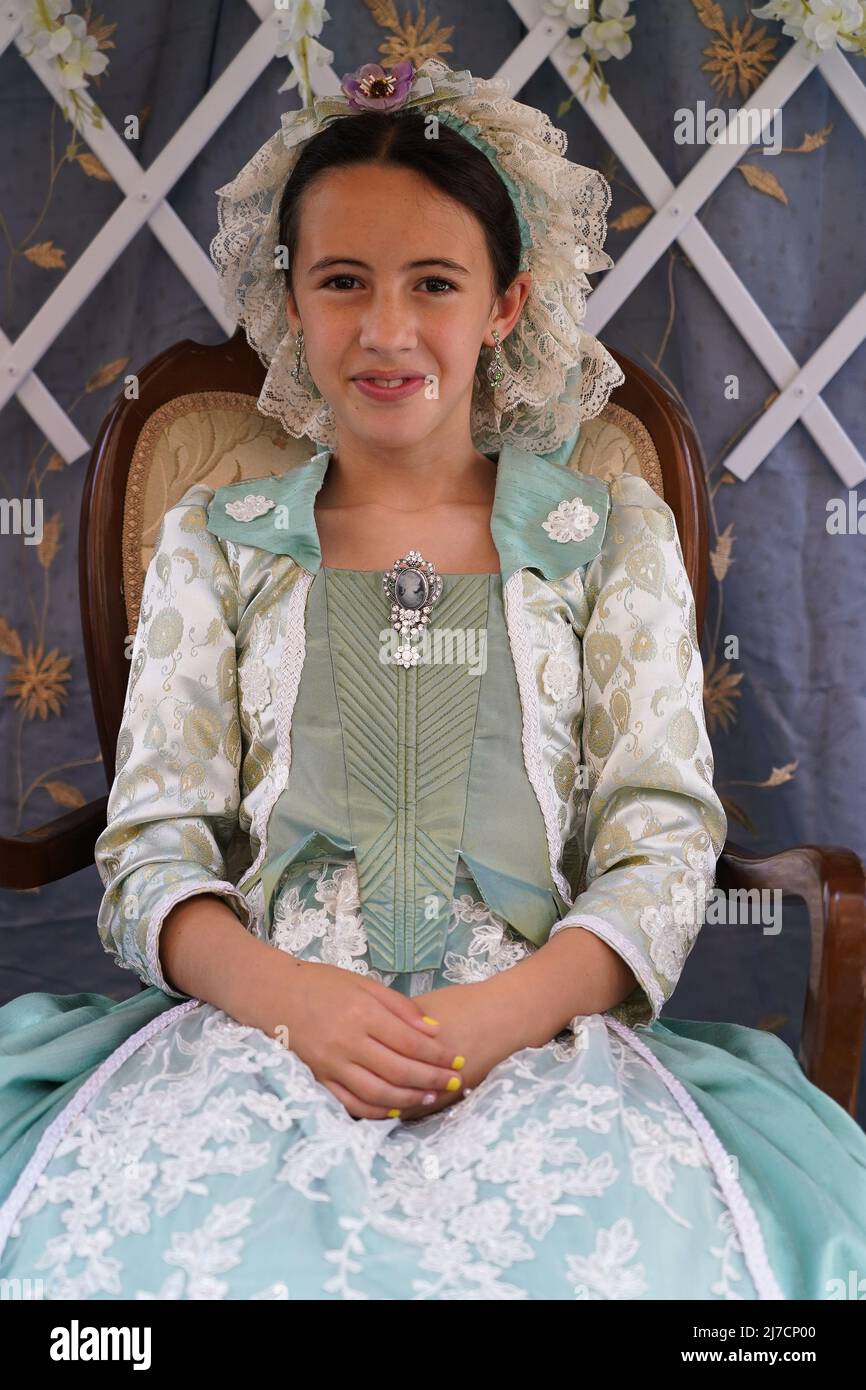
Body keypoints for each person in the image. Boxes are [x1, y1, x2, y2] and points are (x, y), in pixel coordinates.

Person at [1, 57, 865, 1302]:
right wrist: (287, 999)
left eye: (434, 284)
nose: (386, 329)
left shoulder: (601, 535)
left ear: (505, 305)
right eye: (341, 282)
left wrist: (497, 1019)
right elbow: (150, 846)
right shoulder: (220, 536)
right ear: (290, 303)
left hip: (537, 1037)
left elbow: (661, 844)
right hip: (265, 1032)